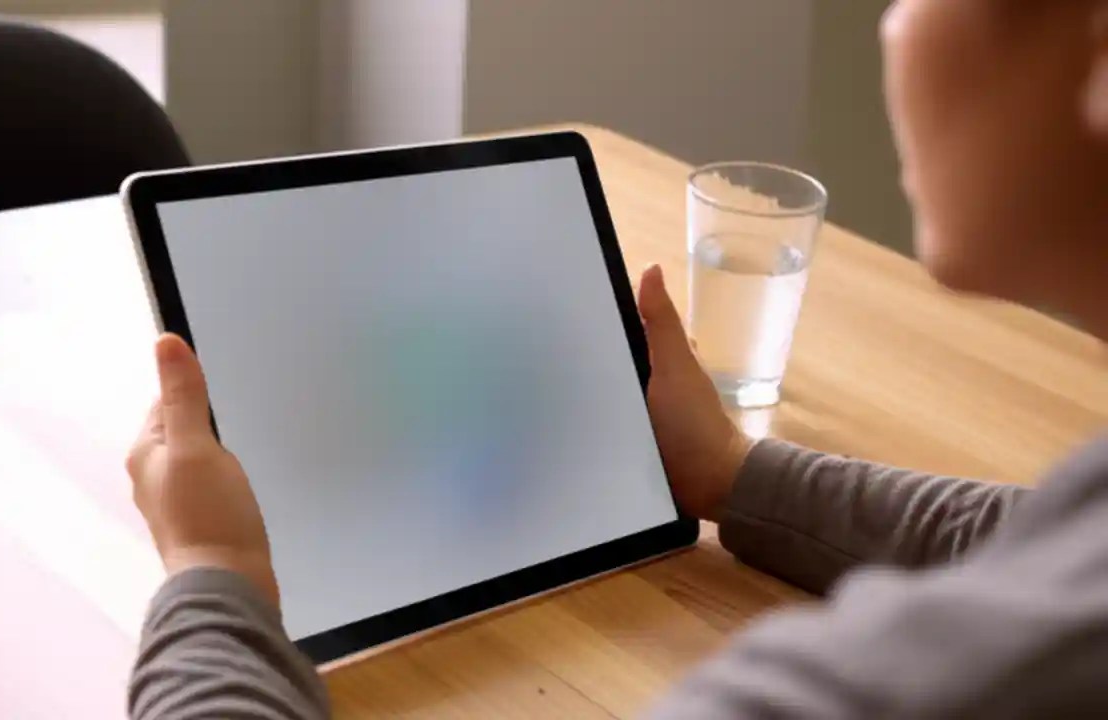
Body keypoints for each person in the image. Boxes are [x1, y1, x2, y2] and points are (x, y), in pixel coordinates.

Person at [125, 0, 1108, 717]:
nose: (891, 29)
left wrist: (217, 577)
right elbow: (1044, 540)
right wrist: (732, 474)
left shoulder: (934, 683)